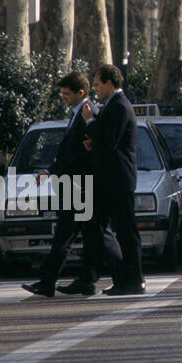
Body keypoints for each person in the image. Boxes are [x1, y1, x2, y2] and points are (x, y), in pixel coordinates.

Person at [23, 73, 108, 298]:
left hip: (79, 185)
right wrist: (51, 170)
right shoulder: (78, 113)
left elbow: (82, 153)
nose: (63, 98)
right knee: (88, 235)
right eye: (62, 94)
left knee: (66, 234)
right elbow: (69, 152)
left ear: (81, 93)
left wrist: (54, 171)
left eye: (67, 94)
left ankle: (49, 281)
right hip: (78, 184)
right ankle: (86, 281)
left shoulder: (88, 112)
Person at [79, 65, 143, 296]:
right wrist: (93, 142)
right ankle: (117, 277)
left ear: (109, 83)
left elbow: (109, 139)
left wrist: (89, 122)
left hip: (119, 179)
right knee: (102, 226)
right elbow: (106, 140)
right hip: (110, 179)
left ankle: (134, 280)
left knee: (126, 231)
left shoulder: (119, 106)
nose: (95, 89)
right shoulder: (111, 106)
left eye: (97, 84)